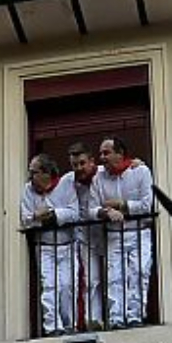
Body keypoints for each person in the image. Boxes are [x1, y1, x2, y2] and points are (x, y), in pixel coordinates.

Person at [94, 136, 154, 327]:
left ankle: (135, 315)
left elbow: (148, 205)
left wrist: (122, 205)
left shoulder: (141, 172)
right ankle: (117, 318)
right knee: (115, 277)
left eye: (106, 152)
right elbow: (91, 207)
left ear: (120, 154)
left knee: (139, 272)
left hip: (139, 231)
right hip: (114, 234)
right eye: (101, 153)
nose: (101, 157)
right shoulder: (98, 177)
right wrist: (105, 211)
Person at [21, 154, 81, 335]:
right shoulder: (28, 190)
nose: (31, 177)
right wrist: (37, 218)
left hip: (67, 245)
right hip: (45, 247)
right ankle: (52, 326)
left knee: (68, 286)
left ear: (46, 173)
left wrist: (53, 215)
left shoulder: (65, 185)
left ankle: (69, 325)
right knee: (49, 287)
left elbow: (74, 212)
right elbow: (26, 219)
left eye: (34, 173)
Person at [50, 140, 104, 326]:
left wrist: (137, 163)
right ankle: (93, 320)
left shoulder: (105, 174)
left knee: (118, 277)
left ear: (91, 161)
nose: (79, 168)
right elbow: (51, 195)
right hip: (85, 237)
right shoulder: (67, 181)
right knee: (91, 280)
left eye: (82, 163)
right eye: (75, 165)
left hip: (109, 233)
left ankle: (117, 317)